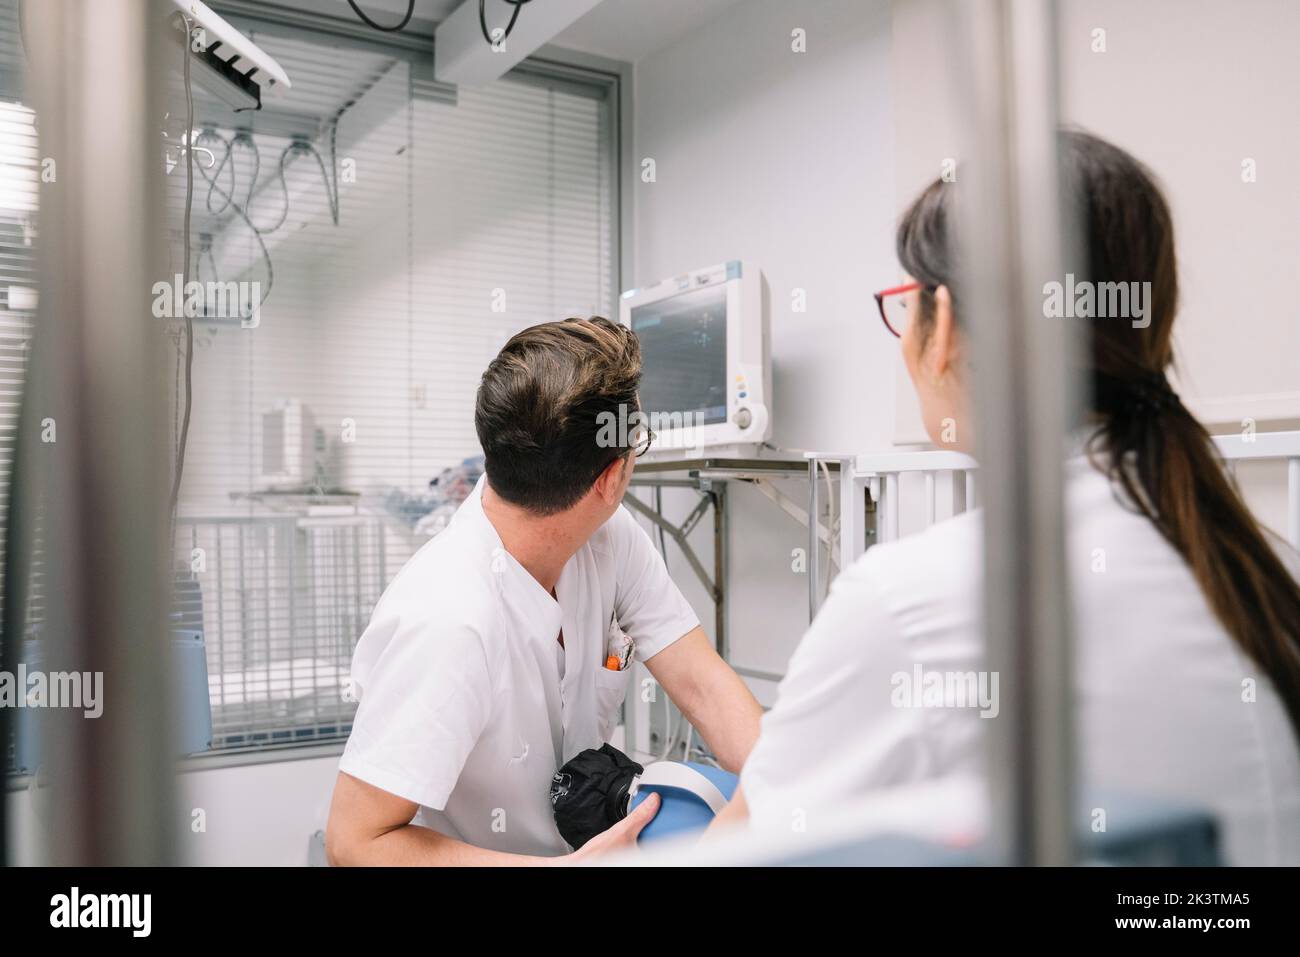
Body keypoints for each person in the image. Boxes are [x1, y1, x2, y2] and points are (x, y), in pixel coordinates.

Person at [712, 130, 1300, 865]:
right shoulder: (1266, 564)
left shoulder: (909, 601)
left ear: (945, 324)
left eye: (905, 304)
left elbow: (745, 845)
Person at [326, 317, 762, 865]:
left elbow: (701, 685)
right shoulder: (448, 620)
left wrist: (792, 796)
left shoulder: (611, 538)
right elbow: (355, 842)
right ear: (609, 479)